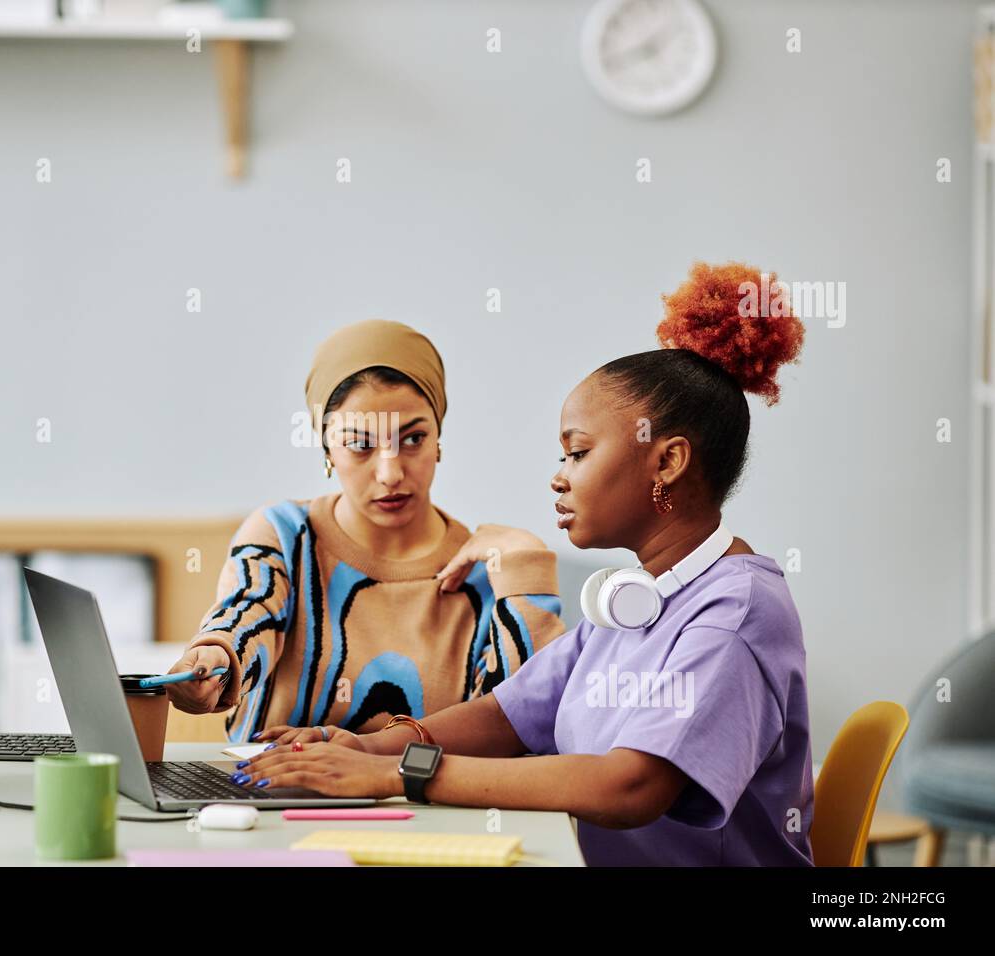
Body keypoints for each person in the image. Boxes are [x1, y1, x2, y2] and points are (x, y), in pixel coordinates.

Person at [237, 263, 815, 866]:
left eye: (579, 452)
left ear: (667, 462)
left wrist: (399, 774)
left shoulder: (735, 615)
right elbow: (508, 715)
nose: (558, 476)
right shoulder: (639, 596)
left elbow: (630, 787)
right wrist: (363, 747)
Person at [164, 319, 567, 744]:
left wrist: (525, 567)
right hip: (269, 804)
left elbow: (521, 729)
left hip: (431, 810)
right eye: (359, 444)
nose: (390, 473)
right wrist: (213, 659)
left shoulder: (489, 572)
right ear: (326, 450)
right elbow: (247, 615)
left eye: (413, 439)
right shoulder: (285, 536)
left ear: (438, 439)